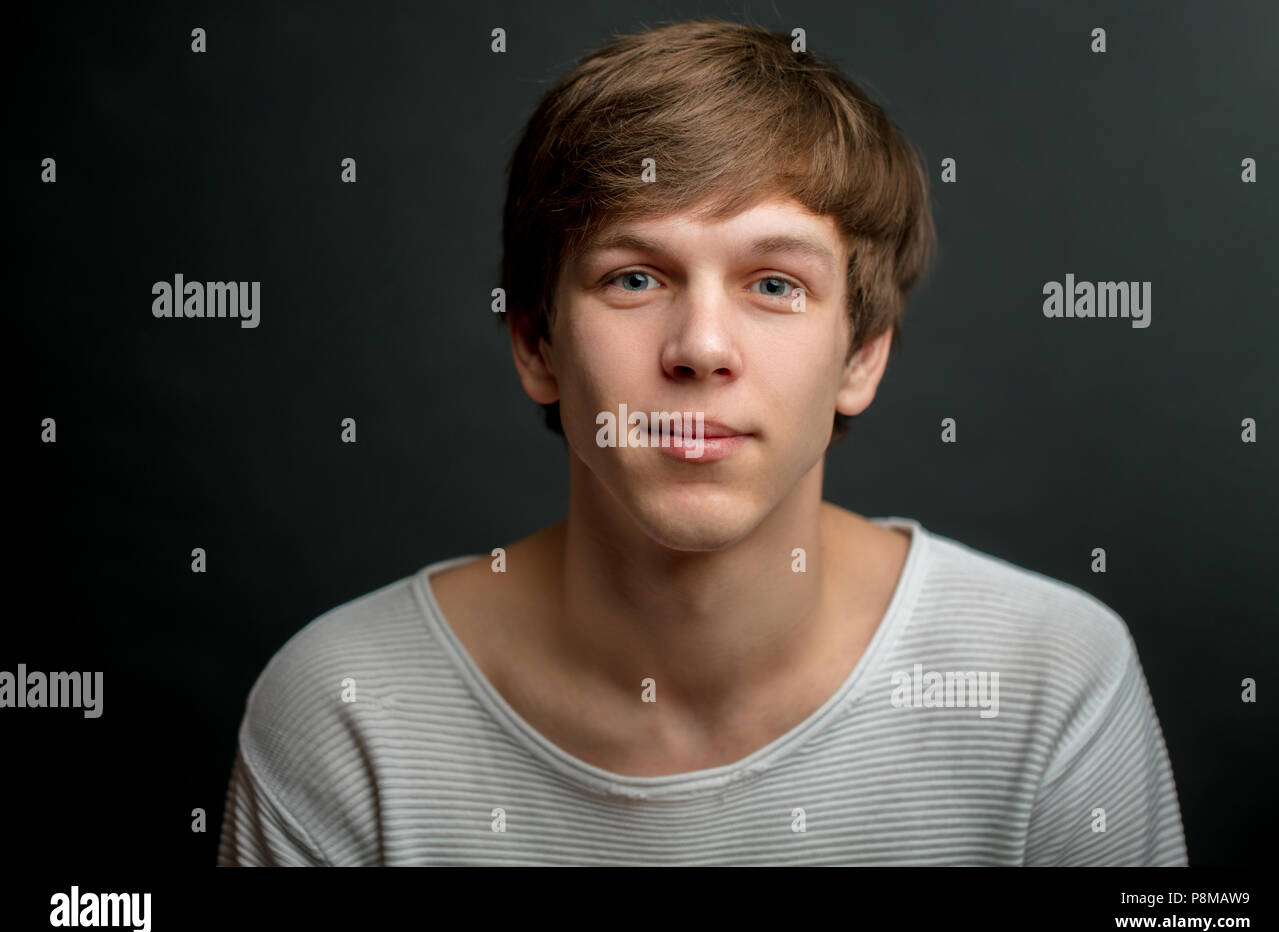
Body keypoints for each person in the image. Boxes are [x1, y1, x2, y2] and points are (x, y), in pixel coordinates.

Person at [218, 18, 1186, 866]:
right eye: (634, 278)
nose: (700, 348)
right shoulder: (342, 710)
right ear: (535, 343)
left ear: (861, 355)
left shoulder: (1052, 681)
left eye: (774, 284)